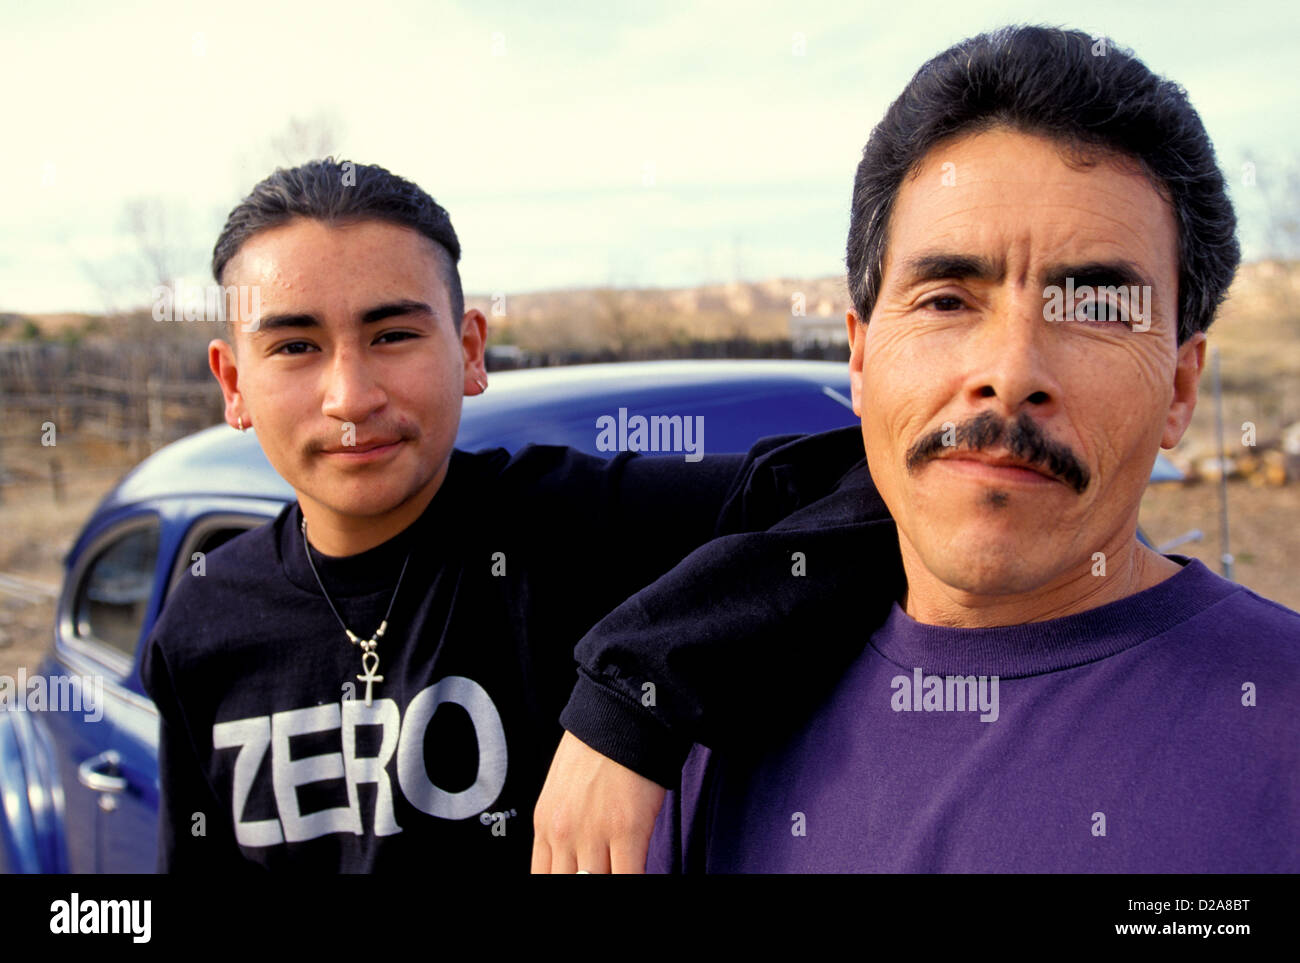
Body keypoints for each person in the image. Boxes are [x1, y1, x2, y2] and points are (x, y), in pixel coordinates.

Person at [534, 25, 1300, 873]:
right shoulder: (693, 737)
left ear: (1181, 389)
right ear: (859, 357)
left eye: (1093, 310)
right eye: (945, 300)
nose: (1010, 373)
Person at [139, 159, 877, 872]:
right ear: (234, 384)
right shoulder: (202, 628)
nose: (350, 396)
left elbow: (883, 487)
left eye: (393, 335)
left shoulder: (580, 528)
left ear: (469, 351)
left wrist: (627, 693)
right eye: (295, 346)